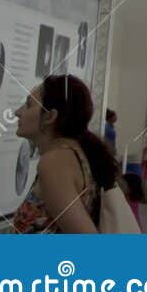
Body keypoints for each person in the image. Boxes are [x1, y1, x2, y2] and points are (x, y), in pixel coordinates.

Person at [11, 75, 120, 234]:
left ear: (50, 116)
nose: (17, 112)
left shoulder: (54, 162)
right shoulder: (71, 153)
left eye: (28, 105)